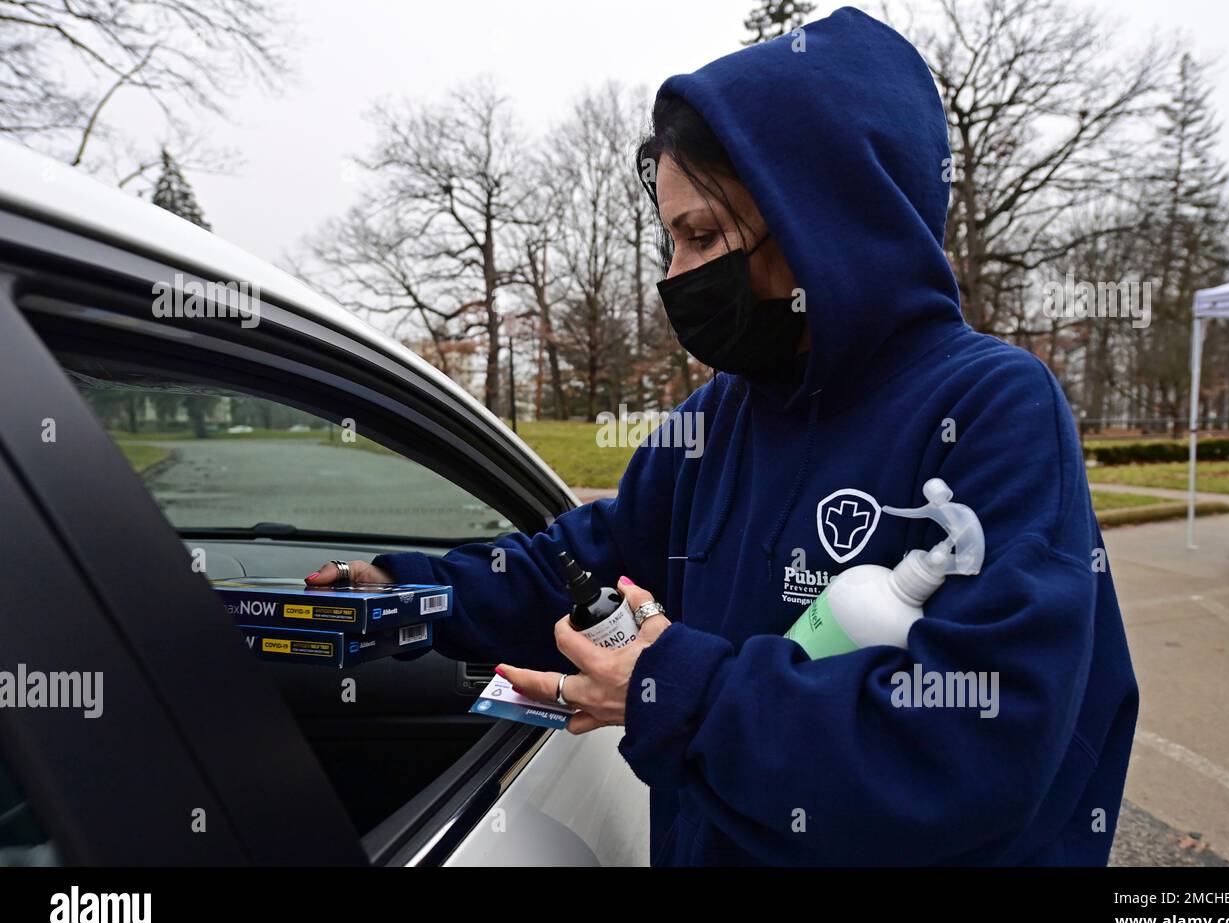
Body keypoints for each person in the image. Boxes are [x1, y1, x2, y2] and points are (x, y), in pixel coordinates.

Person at [307, 7, 1138, 866]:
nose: (675, 279)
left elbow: (978, 741)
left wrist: (674, 690)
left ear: (829, 223)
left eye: (701, 235)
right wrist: (400, 589)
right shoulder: (716, 422)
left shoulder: (992, 408)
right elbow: (576, 569)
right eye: (670, 241)